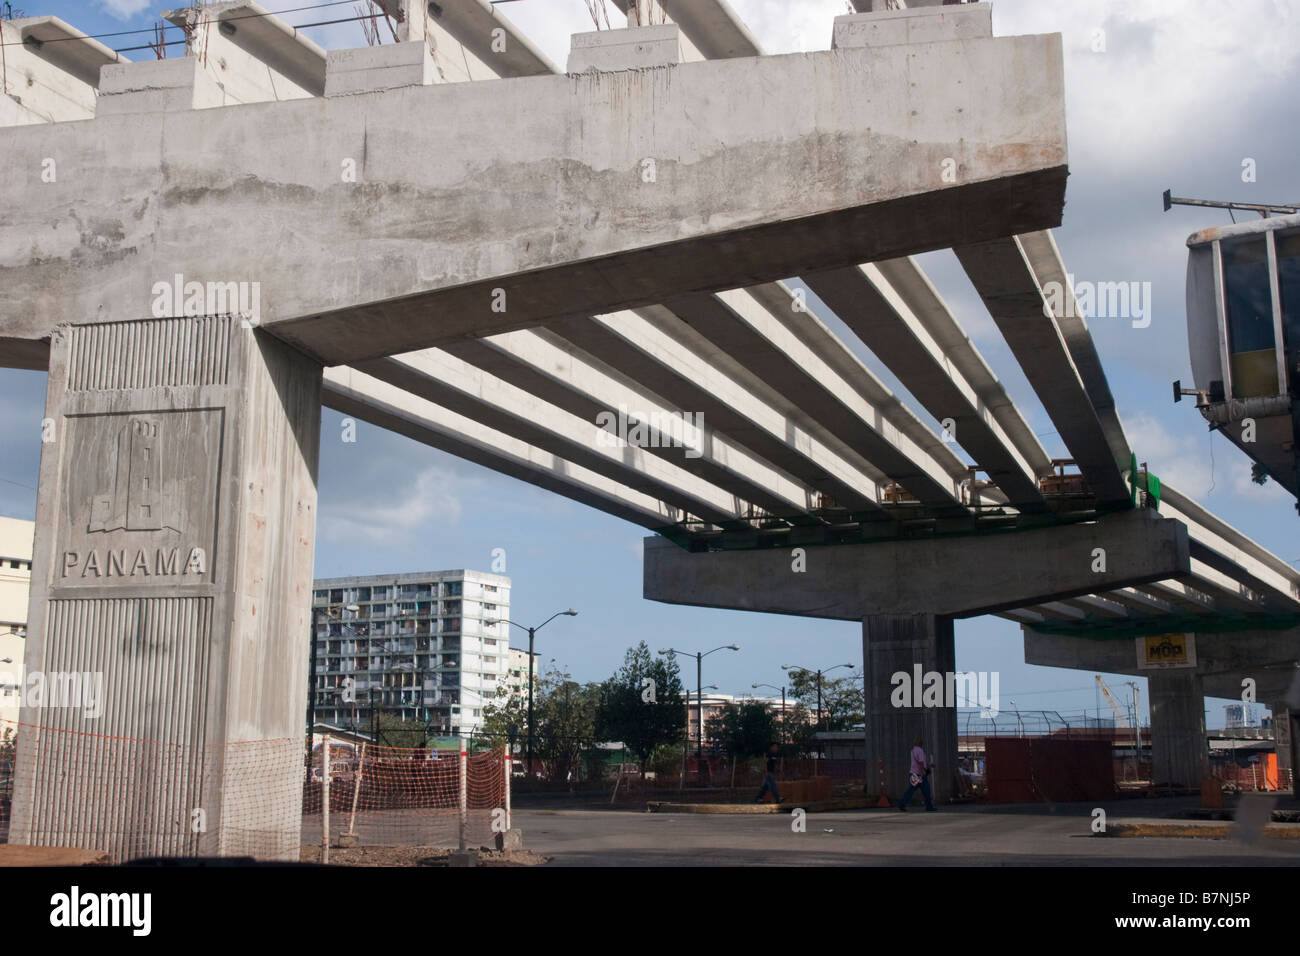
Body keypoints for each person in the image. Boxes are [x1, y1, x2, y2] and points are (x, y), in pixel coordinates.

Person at [898, 736, 935, 811]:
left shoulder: (913, 751)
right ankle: (929, 807)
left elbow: (920, 762)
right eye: (921, 741)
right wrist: (922, 773)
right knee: (926, 791)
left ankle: (902, 803)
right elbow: (921, 763)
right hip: (919, 775)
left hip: (913, 774)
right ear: (920, 743)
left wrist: (929, 765)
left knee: (911, 790)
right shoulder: (920, 751)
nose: (922, 742)